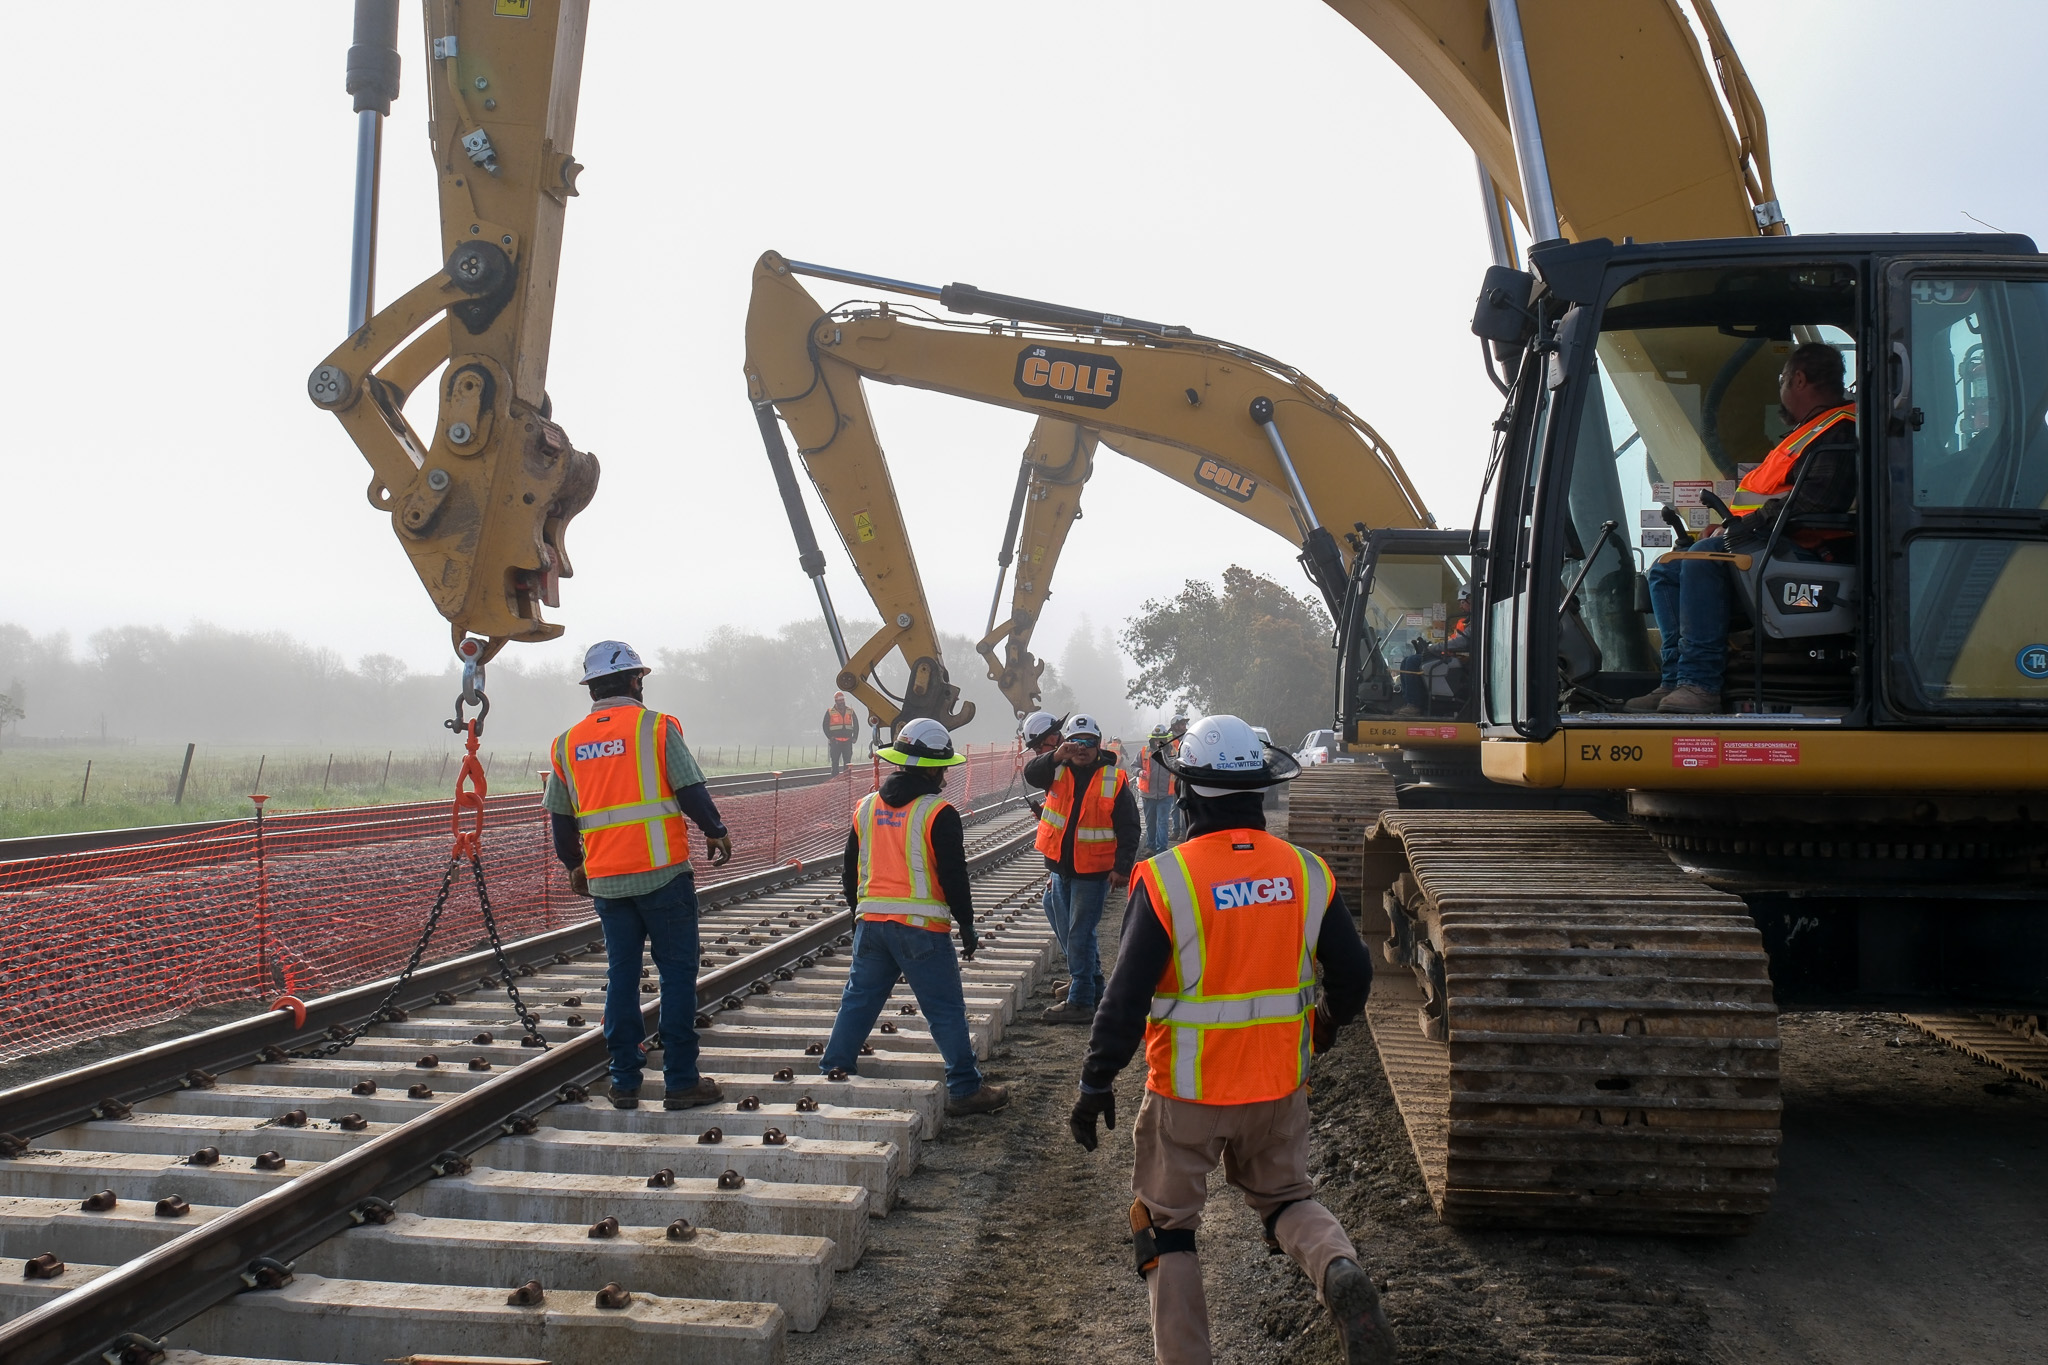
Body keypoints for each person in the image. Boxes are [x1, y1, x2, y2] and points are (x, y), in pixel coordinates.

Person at [1067, 714, 1393, 1365]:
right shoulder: (1306, 871)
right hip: (1278, 1087)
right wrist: (1328, 1019)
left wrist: (1096, 1079)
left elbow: (1126, 997)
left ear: (1187, 794)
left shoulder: (1166, 879)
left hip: (1187, 1094)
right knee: (1288, 1200)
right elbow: (1355, 971)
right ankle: (1336, 1268)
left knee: (1167, 1231)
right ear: (1259, 791)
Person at [545, 641, 734, 1112]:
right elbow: (689, 788)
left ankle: (625, 1080)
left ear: (591, 687)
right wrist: (715, 831)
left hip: (606, 880)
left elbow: (560, 818)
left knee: (622, 977)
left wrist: (574, 864)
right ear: (635, 681)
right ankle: (681, 1081)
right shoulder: (656, 727)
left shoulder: (566, 743)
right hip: (664, 875)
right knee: (676, 976)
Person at [1634, 342, 1857, 715]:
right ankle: (1673, 679)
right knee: (1665, 569)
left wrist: (1737, 532)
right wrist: (1729, 527)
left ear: (1799, 379)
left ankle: (1700, 683)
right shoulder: (1808, 432)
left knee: (1701, 562)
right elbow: (1776, 498)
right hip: (1767, 541)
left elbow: (1815, 503)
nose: (1781, 389)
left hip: (1808, 550)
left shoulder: (1839, 429)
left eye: (1783, 379)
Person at [819, 718, 1011, 1117]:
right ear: (930, 767)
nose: (945, 775)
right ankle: (964, 1087)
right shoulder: (938, 812)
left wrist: (859, 913)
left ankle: (835, 1067)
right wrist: (967, 922)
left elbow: (849, 869)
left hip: (871, 925)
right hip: (920, 931)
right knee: (944, 1009)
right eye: (942, 767)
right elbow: (954, 875)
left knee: (858, 1000)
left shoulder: (867, 805)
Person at [1026, 713, 1141, 1023]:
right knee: (1069, 927)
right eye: (1076, 742)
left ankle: (1080, 1002)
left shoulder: (1112, 779)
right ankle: (1091, 985)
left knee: (1080, 934)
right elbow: (1031, 773)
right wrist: (1055, 755)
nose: (1081, 748)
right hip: (1061, 867)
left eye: (1088, 742)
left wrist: (1121, 867)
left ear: (1098, 744)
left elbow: (1130, 827)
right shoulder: (1057, 769)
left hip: (1093, 872)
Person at [1395, 588, 1473, 714]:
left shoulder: (1475, 621)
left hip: (1462, 661)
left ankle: (1414, 705)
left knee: (1412, 662)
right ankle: (1409, 702)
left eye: (1462, 602)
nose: (1460, 606)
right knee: (1406, 661)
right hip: (1455, 657)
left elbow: (1461, 642)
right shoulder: (1469, 621)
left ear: (1471, 599)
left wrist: (1434, 648)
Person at [1137, 724, 1176, 857]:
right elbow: (1134, 766)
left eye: (1161, 740)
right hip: (1148, 795)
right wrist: (1139, 771)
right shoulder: (1144, 752)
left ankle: (1161, 849)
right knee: (1150, 823)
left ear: (1166, 740)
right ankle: (1150, 847)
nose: (1158, 742)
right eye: (1155, 739)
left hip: (1166, 794)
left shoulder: (1173, 753)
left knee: (1162, 822)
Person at [1019, 709, 1063, 819]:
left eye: (1038, 748)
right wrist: (1047, 810)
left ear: (1053, 739)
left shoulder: (1075, 765)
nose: (1038, 755)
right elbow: (1031, 772)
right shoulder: (1055, 766)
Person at [1164, 714, 1190, 843]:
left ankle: (1184, 833)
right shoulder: (1169, 740)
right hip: (1173, 778)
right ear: (1175, 726)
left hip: (1183, 776)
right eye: (1182, 724)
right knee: (1175, 807)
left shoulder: (1187, 737)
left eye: (1185, 724)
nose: (1184, 726)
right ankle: (1176, 831)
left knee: (1183, 806)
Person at [822, 692, 859, 775]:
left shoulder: (850, 711)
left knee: (847, 762)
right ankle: (835, 779)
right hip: (835, 741)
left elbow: (856, 724)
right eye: (839, 701)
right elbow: (825, 725)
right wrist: (830, 736)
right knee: (835, 761)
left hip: (848, 741)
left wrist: (855, 737)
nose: (841, 702)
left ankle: (846, 779)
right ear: (835, 701)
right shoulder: (830, 711)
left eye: (842, 700)